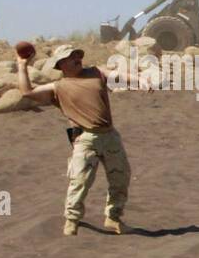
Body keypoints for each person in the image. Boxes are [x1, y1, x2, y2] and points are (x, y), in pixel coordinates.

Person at [16, 45, 131, 236]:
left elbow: (117, 75)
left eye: (77, 54)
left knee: (121, 177)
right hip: (85, 138)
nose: (77, 58)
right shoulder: (58, 87)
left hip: (110, 135)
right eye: (71, 57)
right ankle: (72, 220)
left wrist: (142, 80)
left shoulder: (95, 73)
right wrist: (21, 66)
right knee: (80, 181)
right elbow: (26, 92)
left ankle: (114, 217)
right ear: (61, 64)